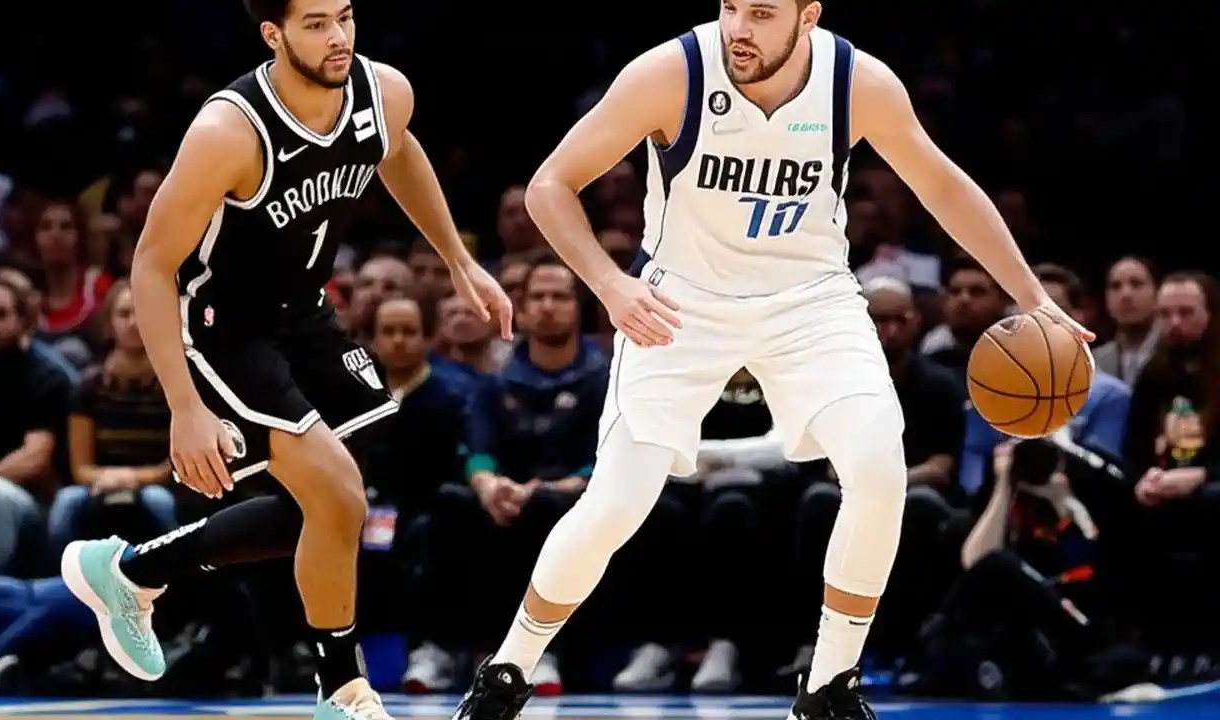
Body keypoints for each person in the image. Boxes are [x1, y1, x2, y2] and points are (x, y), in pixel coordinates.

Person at [449, 2, 1092, 720]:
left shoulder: (859, 82)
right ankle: (508, 669)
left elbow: (941, 186)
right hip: (681, 300)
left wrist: (1033, 297)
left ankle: (828, 687)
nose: (739, 29)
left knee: (880, 471)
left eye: (760, 13)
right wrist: (611, 284)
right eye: (730, 8)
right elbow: (549, 185)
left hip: (810, 301)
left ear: (806, 16)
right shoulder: (673, 73)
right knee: (616, 503)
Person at [58, 1, 511, 719]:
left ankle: (132, 569)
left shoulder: (382, 91)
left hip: (304, 313)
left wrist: (458, 261)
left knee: (354, 496)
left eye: (346, 17)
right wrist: (184, 406)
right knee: (336, 494)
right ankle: (340, 688)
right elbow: (149, 263)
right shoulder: (227, 133)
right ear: (272, 35)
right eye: (314, 24)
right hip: (220, 325)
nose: (337, 37)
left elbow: (398, 149)